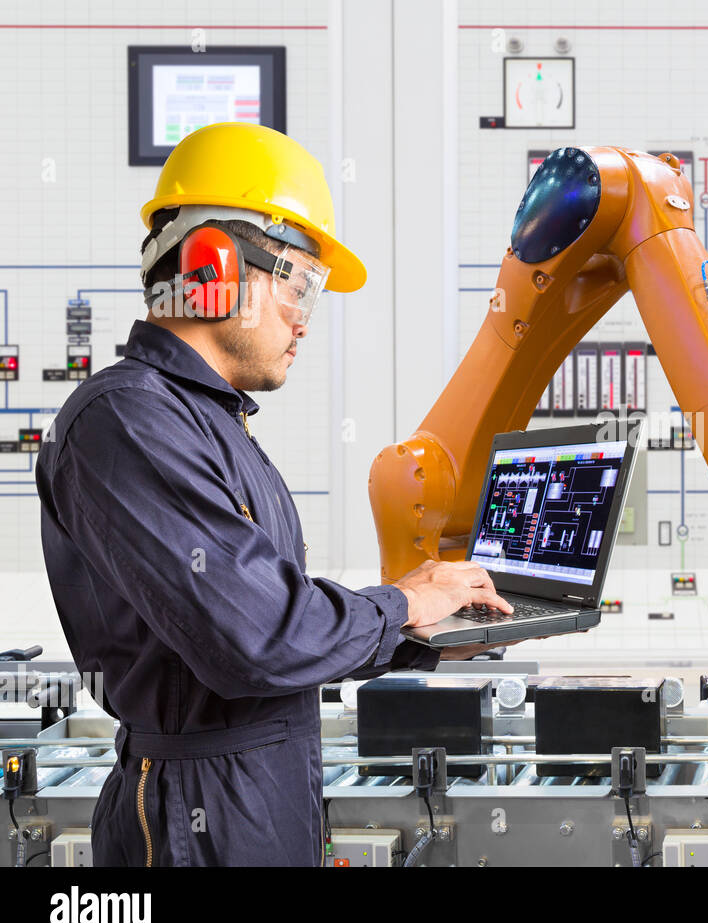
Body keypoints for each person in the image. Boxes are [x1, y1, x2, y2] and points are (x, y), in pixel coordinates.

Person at [36, 123, 514, 866]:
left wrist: (416, 635)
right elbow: (253, 638)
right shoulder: (125, 420)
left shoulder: (207, 422)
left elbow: (268, 620)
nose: (304, 318)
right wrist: (403, 604)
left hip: (258, 794)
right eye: (298, 283)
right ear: (209, 266)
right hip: (198, 817)